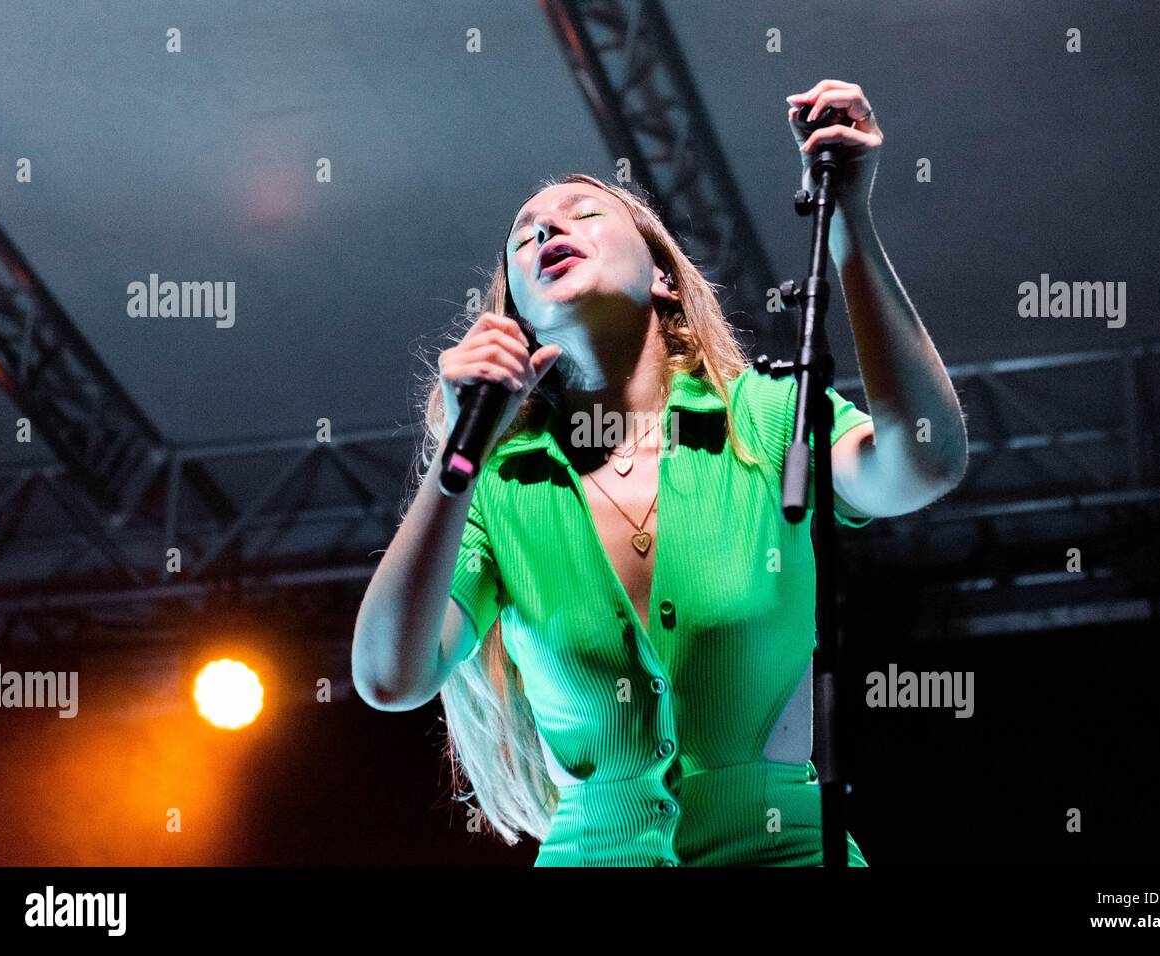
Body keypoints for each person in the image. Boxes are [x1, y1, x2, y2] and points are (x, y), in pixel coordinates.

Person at [352, 79, 968, 866]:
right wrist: (454, 462)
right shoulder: (499, 487)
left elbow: (923, 462)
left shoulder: (765, 419)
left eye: (586, 214)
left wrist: (847, 219)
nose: (548, 229)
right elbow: (389, 678)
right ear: (517, 317)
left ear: (663, 278)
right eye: (525, 236)